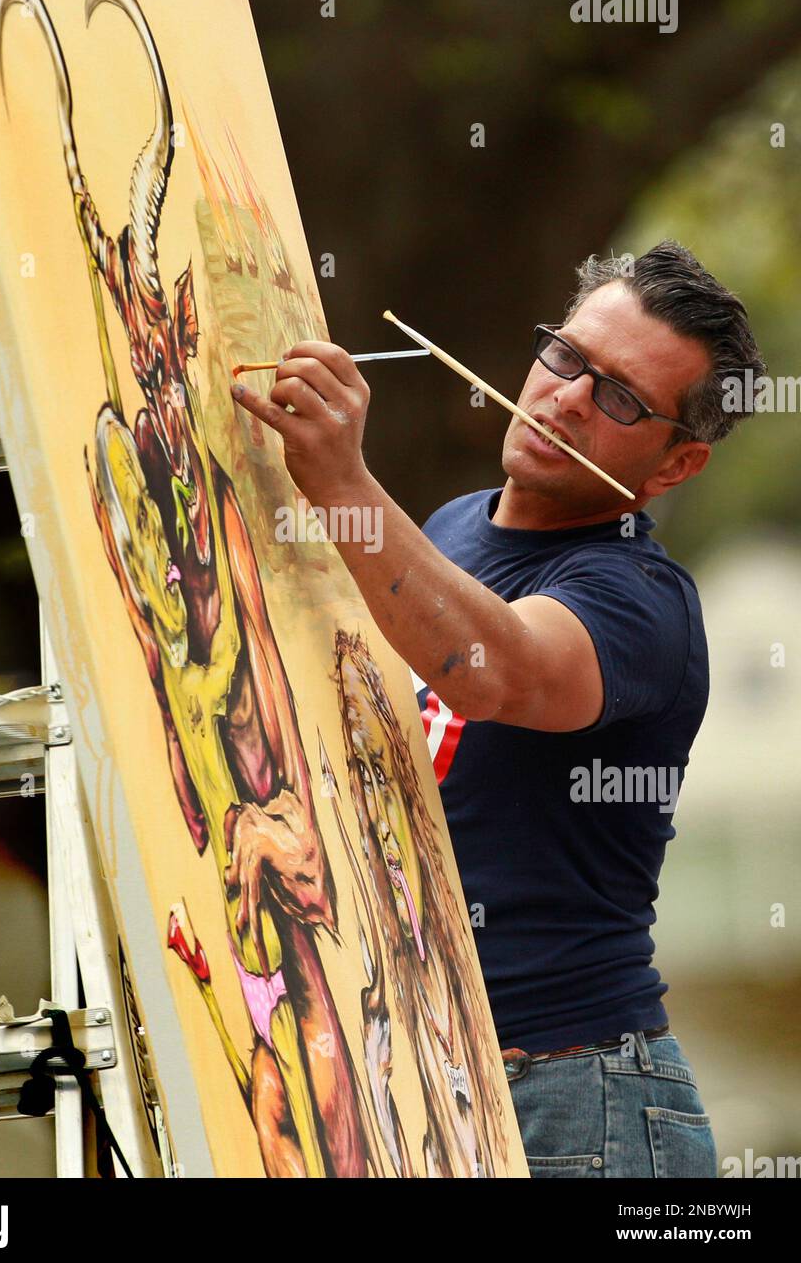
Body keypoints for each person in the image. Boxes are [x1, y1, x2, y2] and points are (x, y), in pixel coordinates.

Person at [231, 240, 766, 1178]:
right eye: (566, 356)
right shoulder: (455, 529)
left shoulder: (642, 602)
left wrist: (344, 484)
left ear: (677, 463)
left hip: (581, 1099)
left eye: (621, 399)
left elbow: (493, 672)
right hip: (435, 1081)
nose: (566, 399)